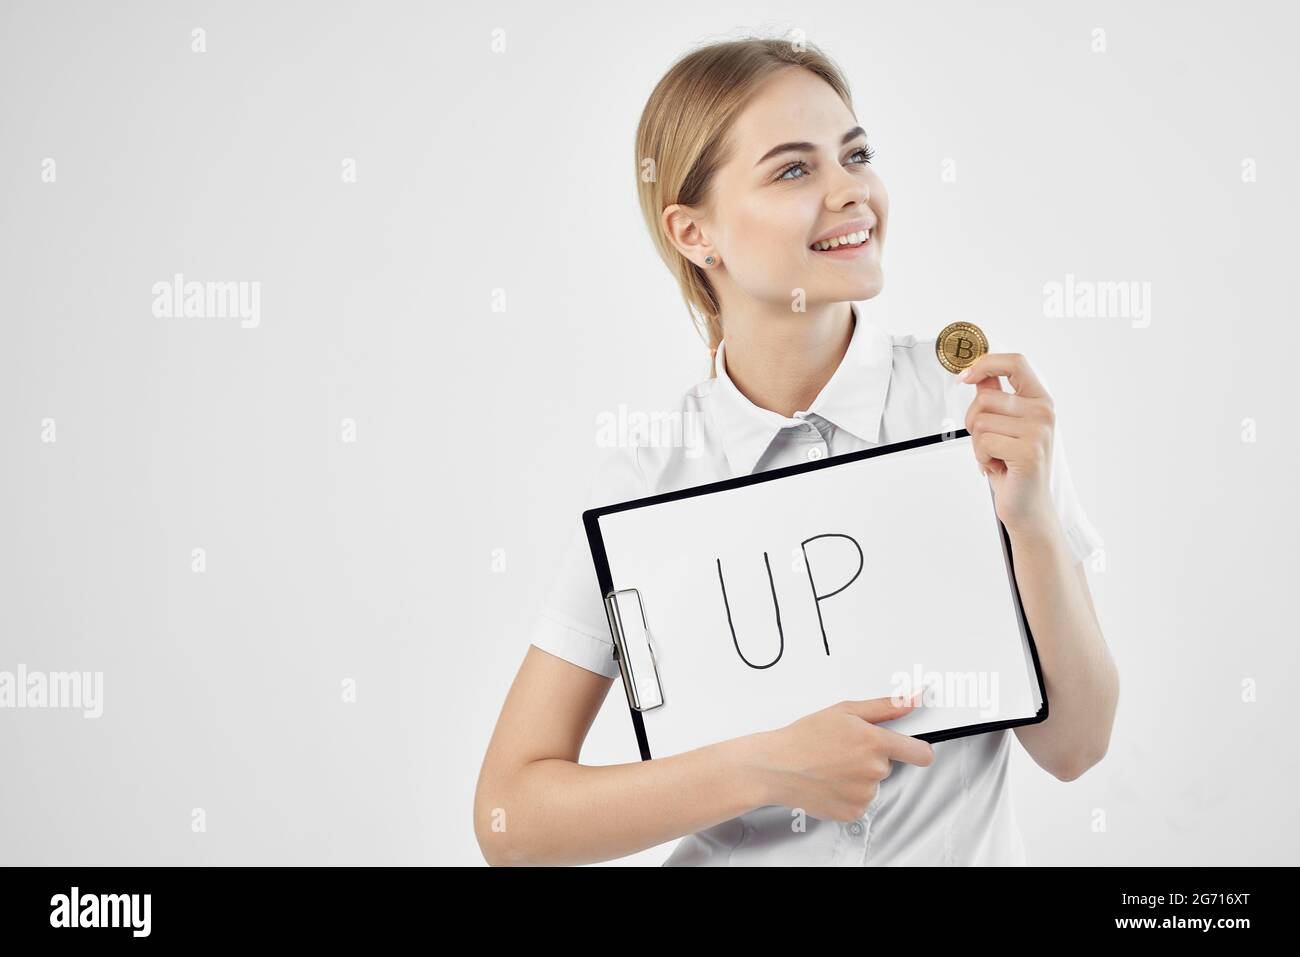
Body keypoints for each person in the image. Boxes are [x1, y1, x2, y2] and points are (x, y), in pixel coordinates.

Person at [474, 37, 1118, 866]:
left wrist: (1029, 523)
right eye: (793, 170)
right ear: (694, 231)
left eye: (856, 155)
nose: (851, 190)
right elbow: (509, 818)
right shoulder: (651, 479)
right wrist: (759, 767)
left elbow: (1077, 747)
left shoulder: (978, 413)